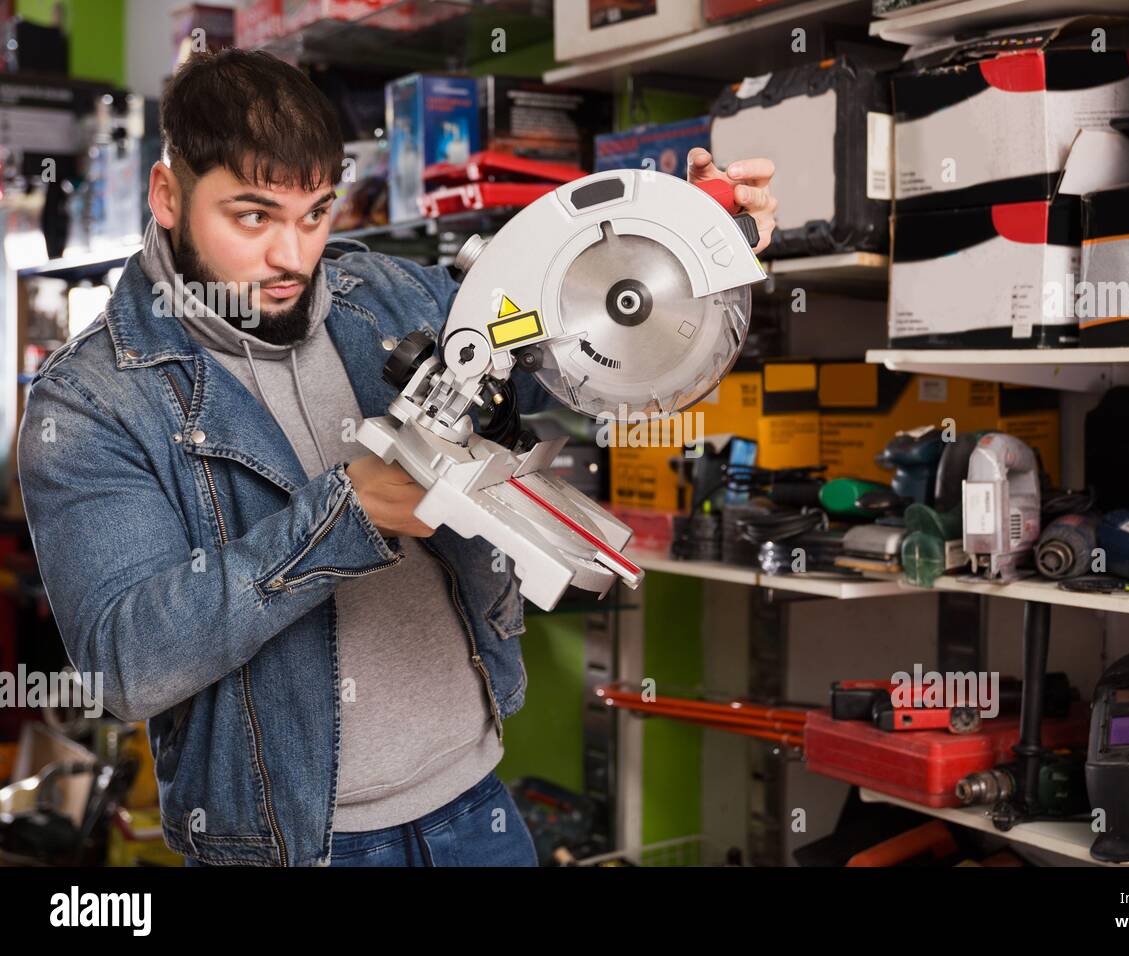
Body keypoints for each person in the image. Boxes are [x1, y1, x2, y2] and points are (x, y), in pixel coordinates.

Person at [16, 48, 779, 867]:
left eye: (315, 214)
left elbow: (585, 367)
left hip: (477, 803)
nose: (293, 257)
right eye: (253, 217)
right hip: (295, 844)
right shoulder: (91, 400)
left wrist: (689, 258)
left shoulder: (389, 294)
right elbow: (128, 662)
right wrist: (347, 516)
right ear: (168, 196)